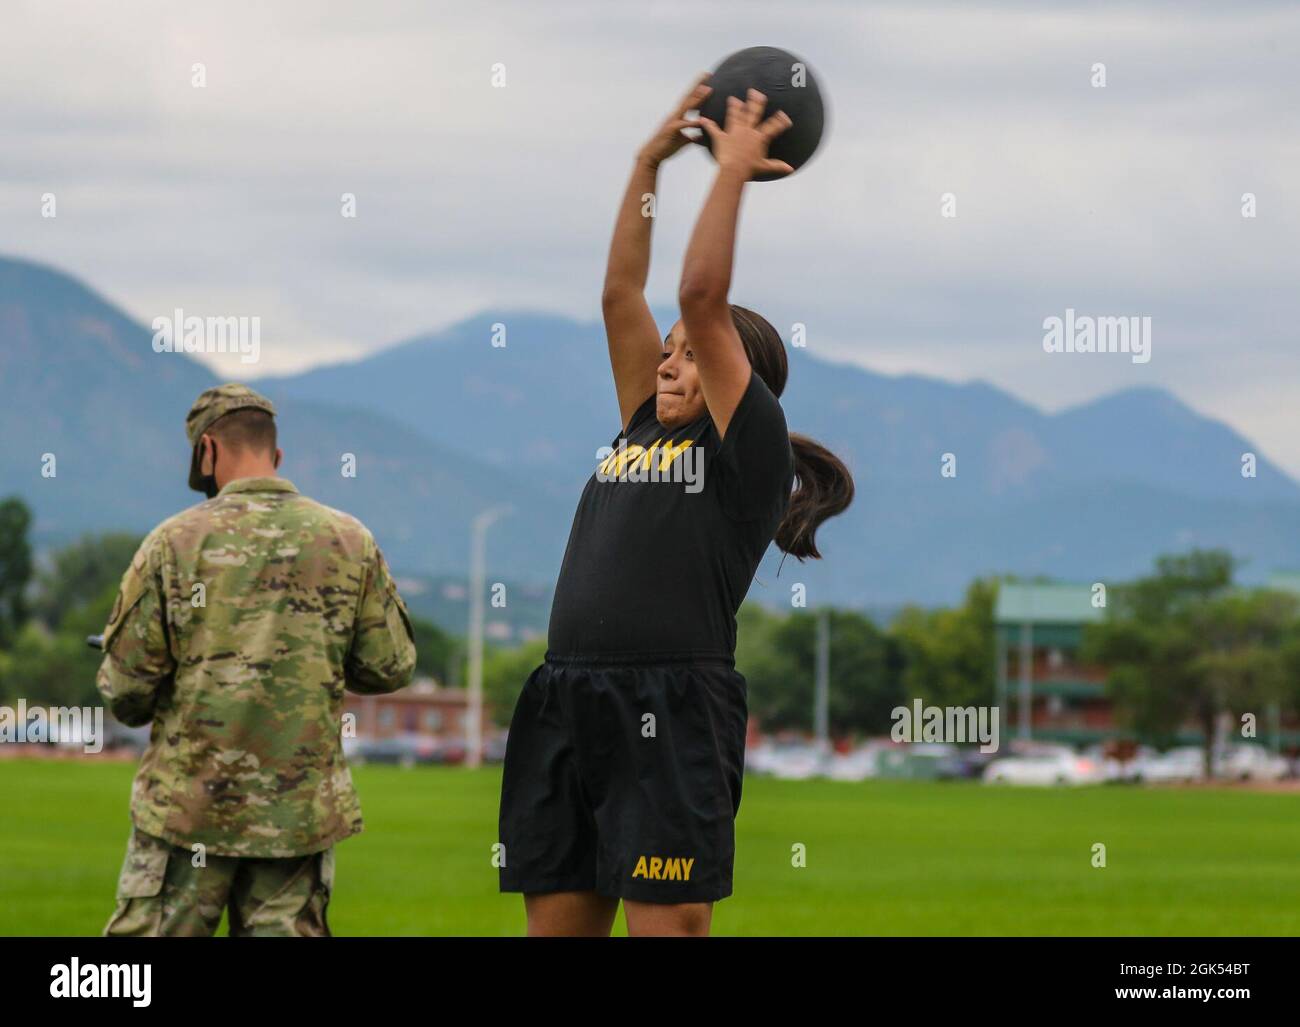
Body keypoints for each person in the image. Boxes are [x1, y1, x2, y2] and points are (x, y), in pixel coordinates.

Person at [498, 78, 854, 936]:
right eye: (667, 354)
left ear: (741, 381)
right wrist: (647, 163)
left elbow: (698, 295)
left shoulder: (746, 454)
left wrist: (729, 171)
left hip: (671, 700)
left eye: (692, 358)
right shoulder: (638, 427)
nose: (667, 363)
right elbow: (623, 294)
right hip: (565, 695)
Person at [97, 383, 417, 937]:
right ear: (277, 456)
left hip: (185, 817)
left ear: (208, 451)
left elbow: (125, 692)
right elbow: (390, 666)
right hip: (294, 824)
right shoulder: (348, 540)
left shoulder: (173, 543)